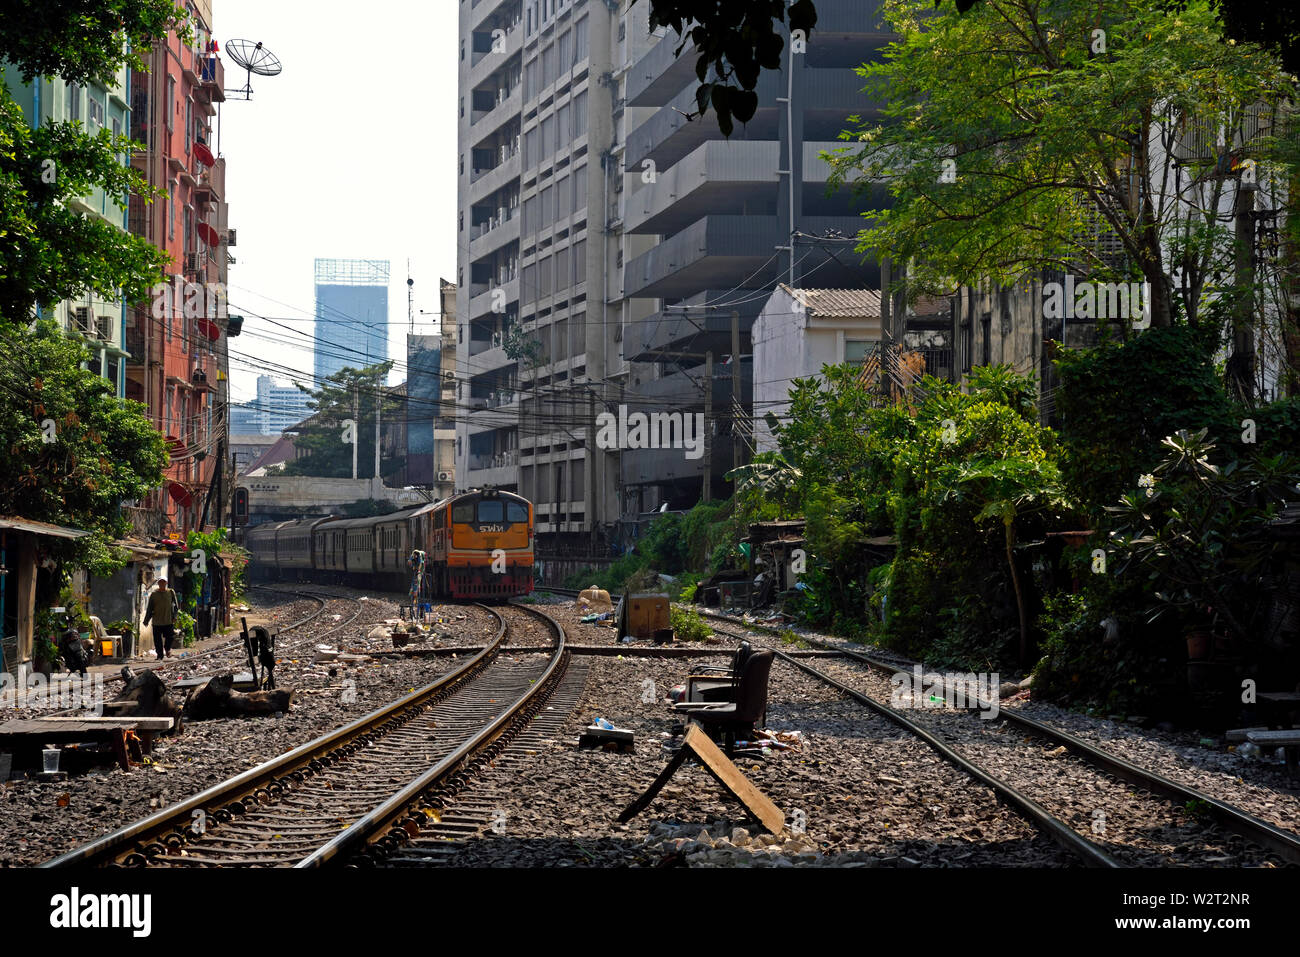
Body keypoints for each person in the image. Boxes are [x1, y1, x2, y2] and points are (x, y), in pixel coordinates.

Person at [143, 578, 179, 660]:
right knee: (157, 640)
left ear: (166, 583)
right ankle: (160, 655)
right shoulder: (154, 594)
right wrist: (146, 620)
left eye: (163, 582)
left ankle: (167, 649)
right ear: (158, 583)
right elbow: (150, 608)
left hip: (168, 620)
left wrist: (175, 616)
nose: (162, 584)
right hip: (157, 621)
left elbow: (176, 606)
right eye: (160, 582)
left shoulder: (170, 592)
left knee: (170, 637)